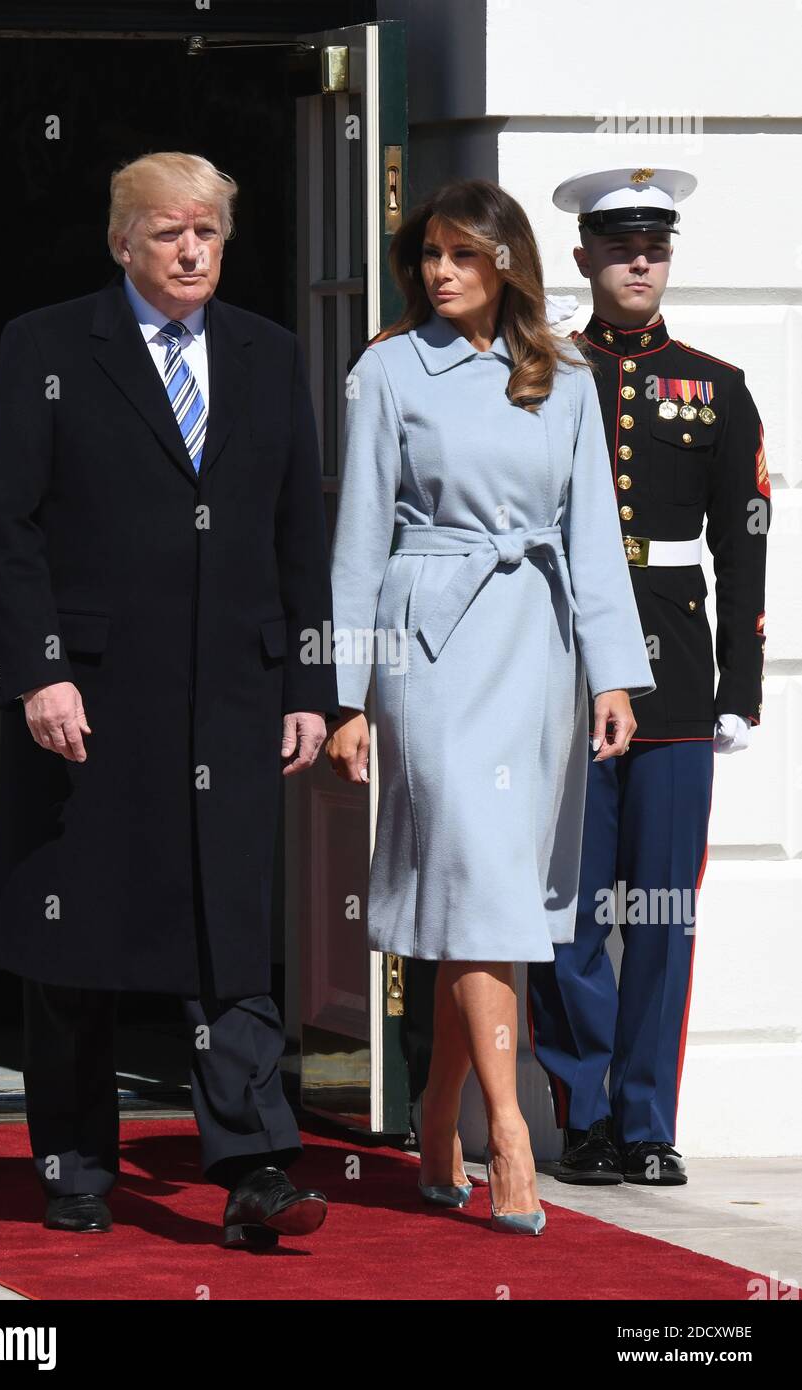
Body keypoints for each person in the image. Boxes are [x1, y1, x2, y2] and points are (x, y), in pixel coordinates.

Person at [0, 151, 339, 1249]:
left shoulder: (270, 357)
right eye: (170, 231)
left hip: (230, 696)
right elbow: (5, 524)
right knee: (76, 934)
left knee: (231, 936)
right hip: (86, 699)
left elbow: (298, 535)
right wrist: (39, 668)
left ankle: (257, 1168)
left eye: (210, 233)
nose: (192, 251)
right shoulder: (45, 346)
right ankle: (76, 1162)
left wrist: (310, 682)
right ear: (122, 240)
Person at [325, 178, 655, 1236]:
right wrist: (348, 693)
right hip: (429, 645)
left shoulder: (563, 373)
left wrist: (612, 673)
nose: (439, 272)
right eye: (428, 255)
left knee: (498, 893)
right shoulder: (385, 369)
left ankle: (435, 1109)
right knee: (473, 867)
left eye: (462, 255)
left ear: (506, 261)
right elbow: (357, 538)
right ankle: (507, 1129)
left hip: (538, 647)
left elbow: (593, 531)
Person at [527, 168, 769, 1187]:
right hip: (562, 668)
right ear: (582, 255)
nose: (639, 261)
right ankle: (582, 1116)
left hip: (673, 677)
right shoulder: (540, 371)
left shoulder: (717, 383)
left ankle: (646, 1122)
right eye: (620, 244)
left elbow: (744, 541)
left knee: (661, 909)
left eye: (655, 245)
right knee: (570, 909)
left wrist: (740, 687)